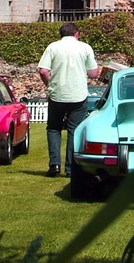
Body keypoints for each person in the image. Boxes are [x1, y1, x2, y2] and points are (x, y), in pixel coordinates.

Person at [38, 22, 99, 177]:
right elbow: (93, 73)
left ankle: (55, 164)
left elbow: (44, 70)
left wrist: (49, 84)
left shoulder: (53, 47)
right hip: (78, 94)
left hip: (57, 93)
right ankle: (70, 168)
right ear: (76, 34)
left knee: (54, 128)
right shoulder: (85, 48)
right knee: (74, 130)